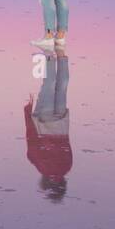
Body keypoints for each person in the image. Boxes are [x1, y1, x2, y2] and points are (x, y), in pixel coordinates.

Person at [24, 49, 72, 202]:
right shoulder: (42, 168)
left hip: (61, 123)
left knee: (62, 86)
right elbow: (32, 145)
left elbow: (66, 145)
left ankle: (62, 55)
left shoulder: (67, 168)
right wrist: (28, 114)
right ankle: (48, 54)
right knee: (48, 85)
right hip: (45, 123)